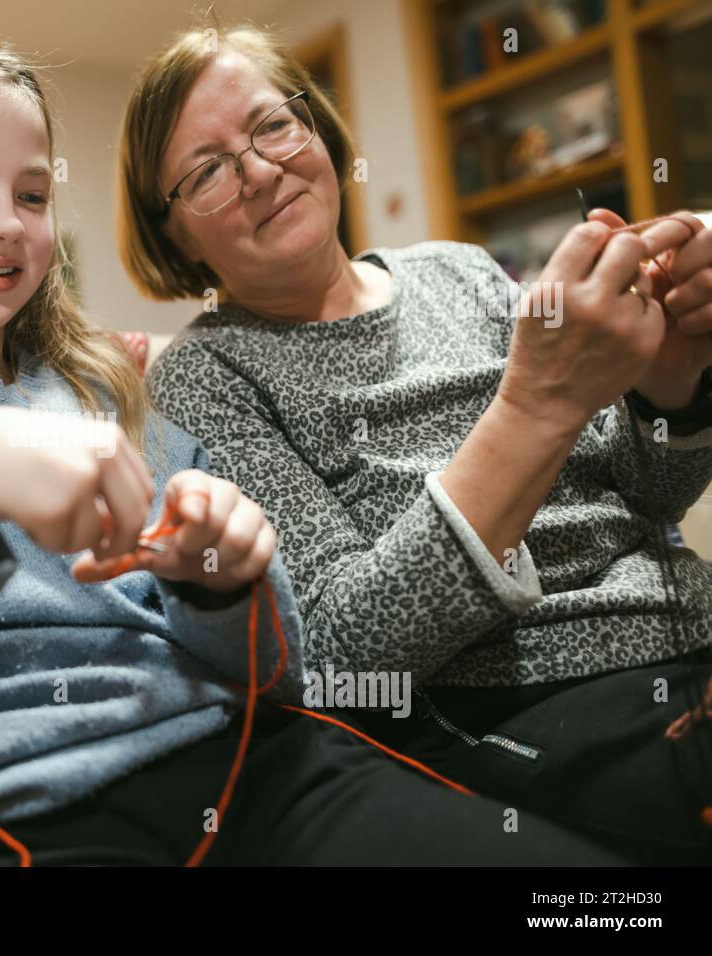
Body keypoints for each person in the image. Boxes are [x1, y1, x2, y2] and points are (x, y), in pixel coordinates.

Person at [0, 29, 626, 866]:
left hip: (248, 769)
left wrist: (224, 581)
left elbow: (281, 673)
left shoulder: (110, 393)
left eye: (32, 195)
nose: (6, 223)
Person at [116, 22, 712, 864]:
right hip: (522, 710)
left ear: (316, 127)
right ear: (173, 233)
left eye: (272, 125)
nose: (257, 171)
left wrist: (671, 385)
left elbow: (643, 495)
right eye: (206, 171)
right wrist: (537, 404)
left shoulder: (458, 270)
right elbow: (337, 660)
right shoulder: (205, 378)